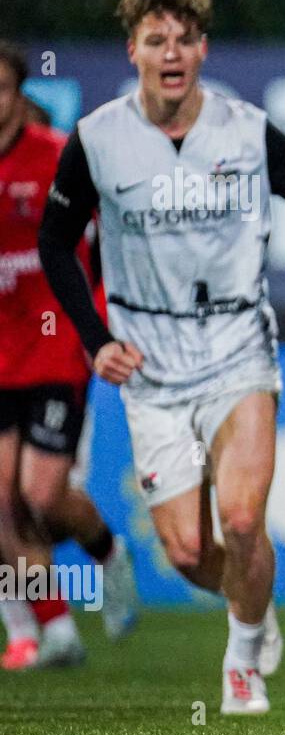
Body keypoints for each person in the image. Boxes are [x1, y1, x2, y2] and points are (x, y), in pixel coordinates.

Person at [39, 0, 285, 713]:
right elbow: (55, 242)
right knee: (185, 552)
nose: (171, 51)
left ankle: (241, 663)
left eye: (184, 38)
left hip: (238, 346)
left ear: (203, 49)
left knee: (242, 519)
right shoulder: (97, 140)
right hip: (147, 359)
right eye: (156, 39)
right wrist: (93, 337)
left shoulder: (245, 129)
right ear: (133, 50)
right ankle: (254, 603)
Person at [0, 40, 138, 671]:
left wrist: (100, 321)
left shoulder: (56, 158)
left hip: (55, 344)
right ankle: (53, 629)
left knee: (42, 496)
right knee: (2, 503)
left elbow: (110, 238)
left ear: (18, 95)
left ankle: (108, 552)